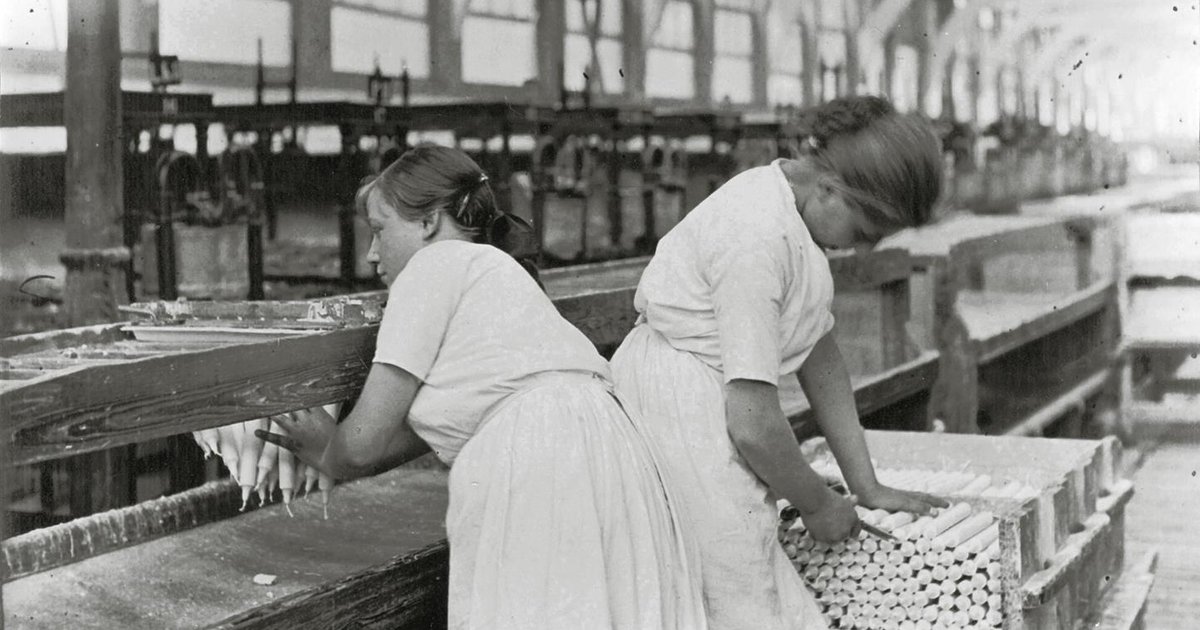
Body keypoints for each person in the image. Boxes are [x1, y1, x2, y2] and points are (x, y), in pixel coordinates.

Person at [262, 145, 706, 630]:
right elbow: (423, 431)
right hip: (610, 449)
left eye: (380, 230)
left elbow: (361, 448)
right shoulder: (498, 272)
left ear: (429, 222)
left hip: (539, 463)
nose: (371, 254)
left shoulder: (431, 268)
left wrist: (325, 447)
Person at [608, 96, 949, 629]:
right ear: (830, 190)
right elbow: (753, 425)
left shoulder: (795, 213)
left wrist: (866, 485)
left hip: (710, 402)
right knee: (733, 593)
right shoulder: (756, 239)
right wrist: (815, 502)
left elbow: (820, 352)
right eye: (864, 234)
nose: (861, 251)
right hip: (680, 410)